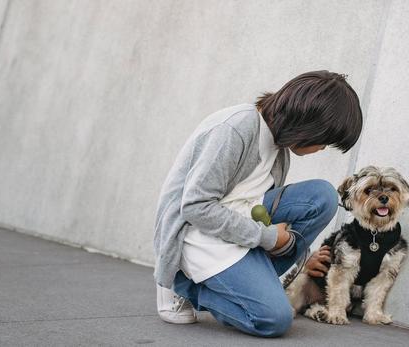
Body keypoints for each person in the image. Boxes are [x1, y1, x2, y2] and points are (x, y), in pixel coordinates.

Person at [153, 70, 363, 337]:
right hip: (196, 236)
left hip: (238, 230)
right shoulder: (236, 128)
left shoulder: (279, 148)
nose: (321, 148)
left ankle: (253, 283)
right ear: (307, 124)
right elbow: (195, 207)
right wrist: (267, 237)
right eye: (323, 140)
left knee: (323, 196)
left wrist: (286, 246)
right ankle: (184, 284)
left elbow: (256, 208)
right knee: (274, 319)